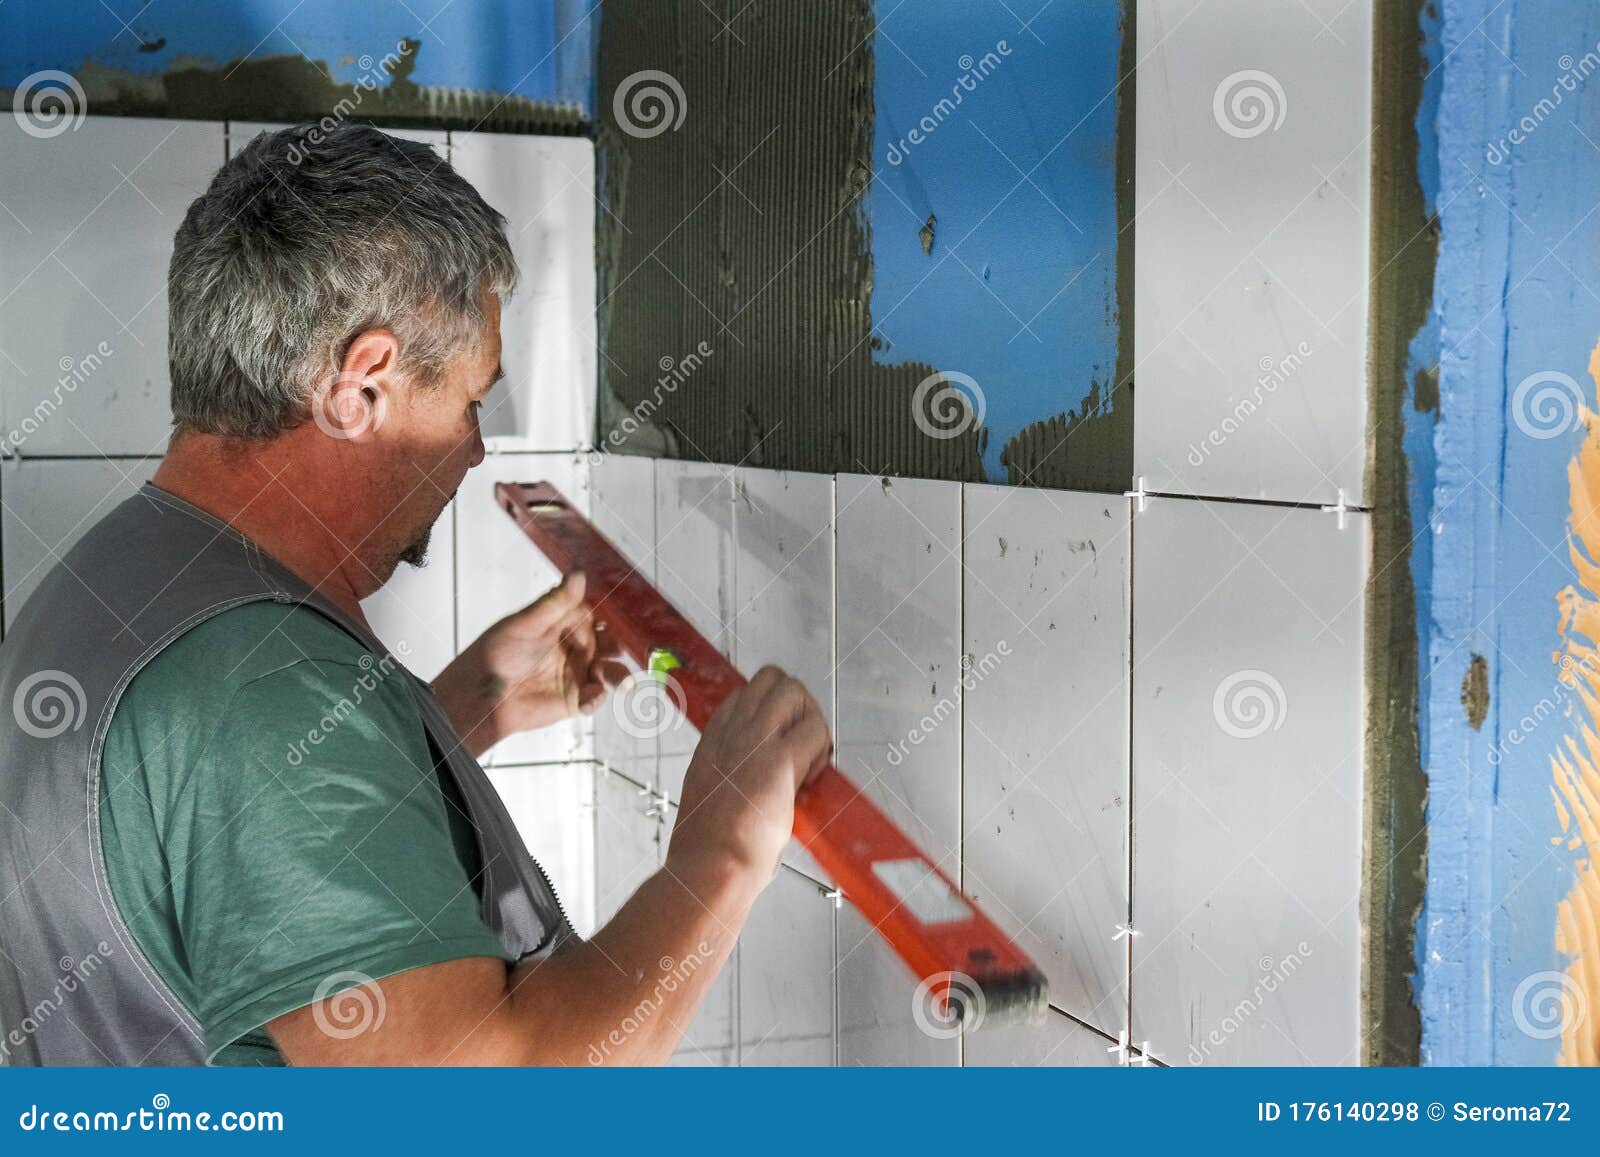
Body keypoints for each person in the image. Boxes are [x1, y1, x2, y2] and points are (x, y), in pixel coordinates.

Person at [0, 123, 830, 1066]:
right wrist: (718, 852)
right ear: (360, 385)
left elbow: (219, 851)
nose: (476, 450)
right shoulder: (260, 693)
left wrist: (462, 713)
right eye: (472, 401)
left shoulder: (116, 578)